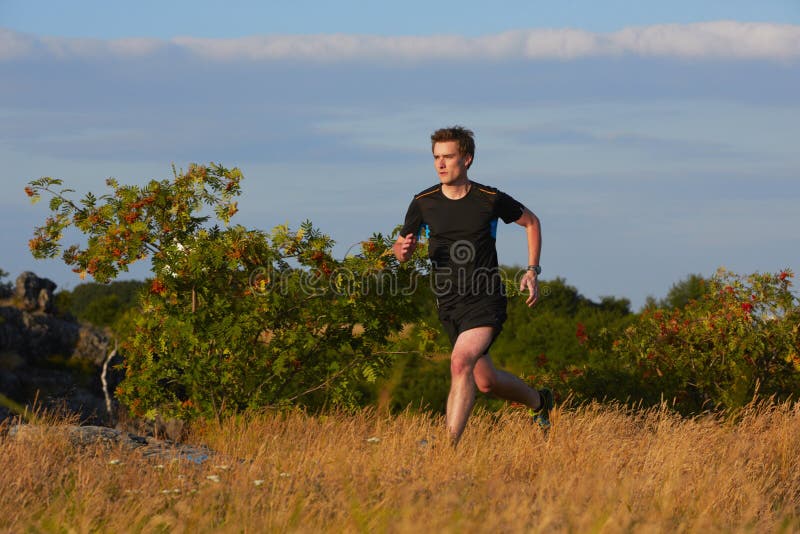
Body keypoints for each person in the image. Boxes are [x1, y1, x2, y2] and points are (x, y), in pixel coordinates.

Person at [393, 126, 553, 446]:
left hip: (485, 298)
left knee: (459, 362)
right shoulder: (423, 202)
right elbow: (400, 249)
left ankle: (446, 447)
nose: (440, 164)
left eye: (448, 157)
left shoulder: (489, 199)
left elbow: (531, 222)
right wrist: (404, 252)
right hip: (448, 303)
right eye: (436, 157)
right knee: (485, 382)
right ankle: (539, 401)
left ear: (466, 159)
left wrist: (532, 270)